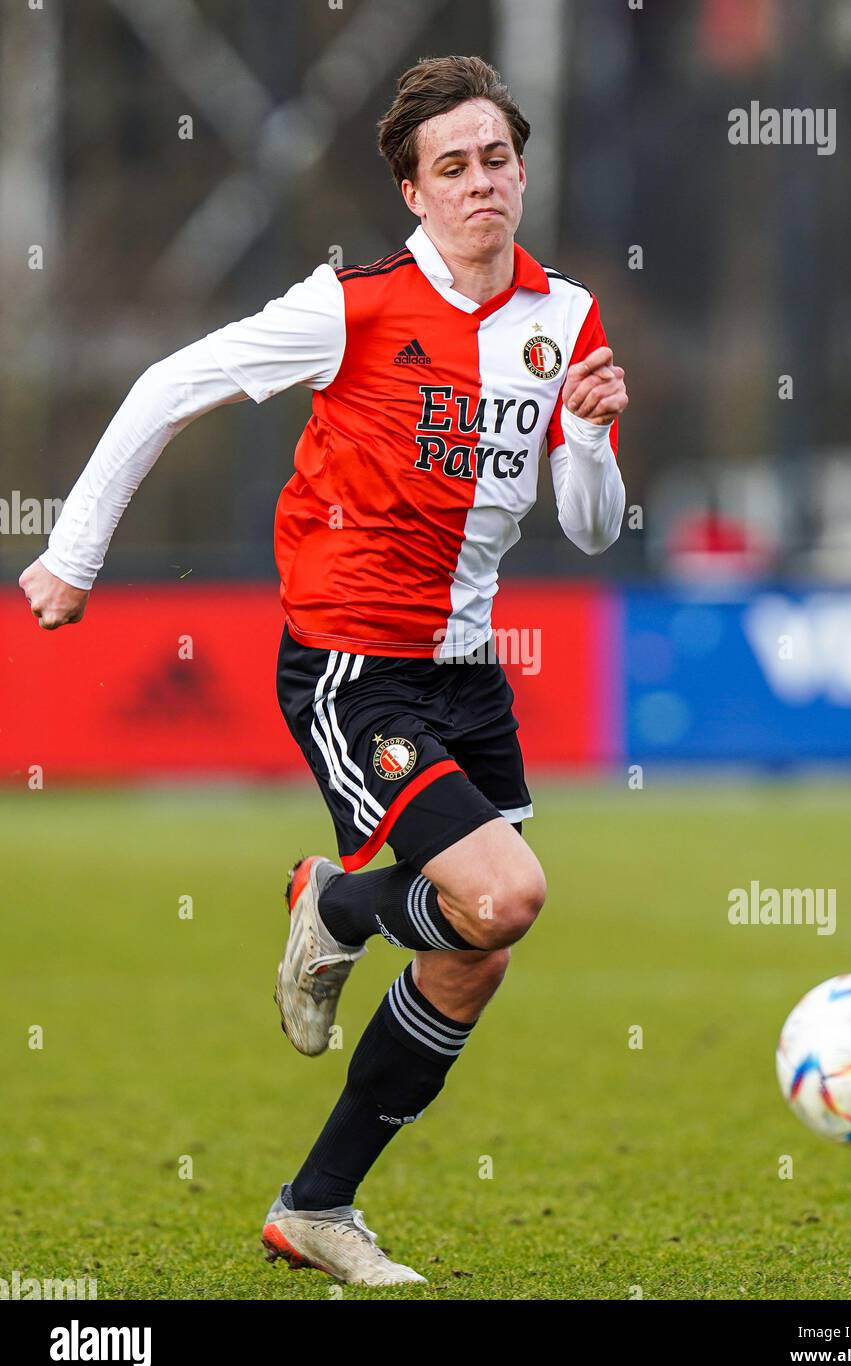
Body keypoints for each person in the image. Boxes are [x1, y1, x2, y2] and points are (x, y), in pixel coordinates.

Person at [18, 54, 628, 1287]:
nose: (479, 186)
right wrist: (71, 557)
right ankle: (341, 906)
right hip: (354, 662)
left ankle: (315, 1205)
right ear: (412, 193)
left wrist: (596, 437)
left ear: (522, 168)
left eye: (495, 160)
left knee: (476, 948)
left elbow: (595, 525)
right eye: (449, 168)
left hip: (468, 670)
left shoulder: (566, 319)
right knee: (505, 892)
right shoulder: (348, 308)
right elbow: (164, 385)